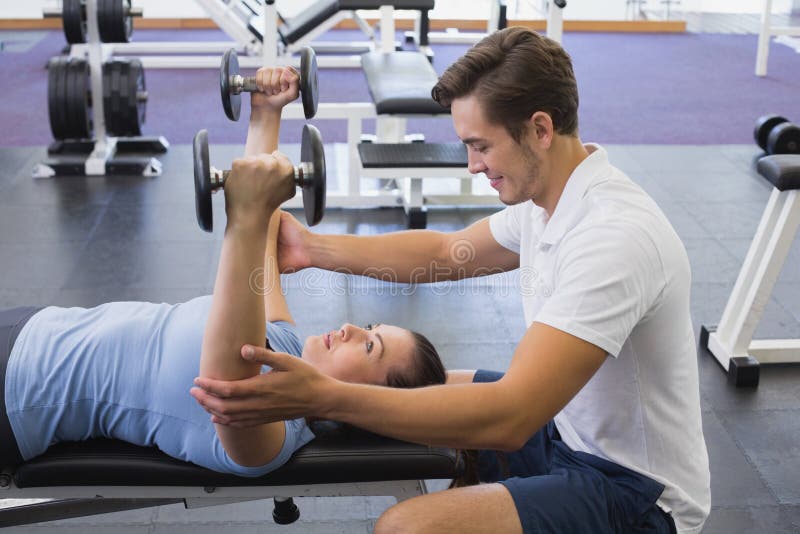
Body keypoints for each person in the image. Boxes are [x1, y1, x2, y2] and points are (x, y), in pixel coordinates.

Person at [190, 27, 711, 533]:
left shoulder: (613, 238)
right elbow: (445, 252)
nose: (472, 165)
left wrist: (322, 396)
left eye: (481, 146)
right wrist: (314, 249)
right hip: (566, 433)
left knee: (406, 527)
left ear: (540, 129)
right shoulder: (549, 195)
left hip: (633, 490)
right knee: (433, 385)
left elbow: (510, 417)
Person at [0, 66, 445, 477]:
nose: (349, 326)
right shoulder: (284, 338)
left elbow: (227, 372)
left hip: (17, 396)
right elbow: (263, 232)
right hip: (32, 325)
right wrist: (267, 109)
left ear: (367, 404)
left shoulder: (270, 435)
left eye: (370, 346)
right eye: (367, 326)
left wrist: (248, 211)